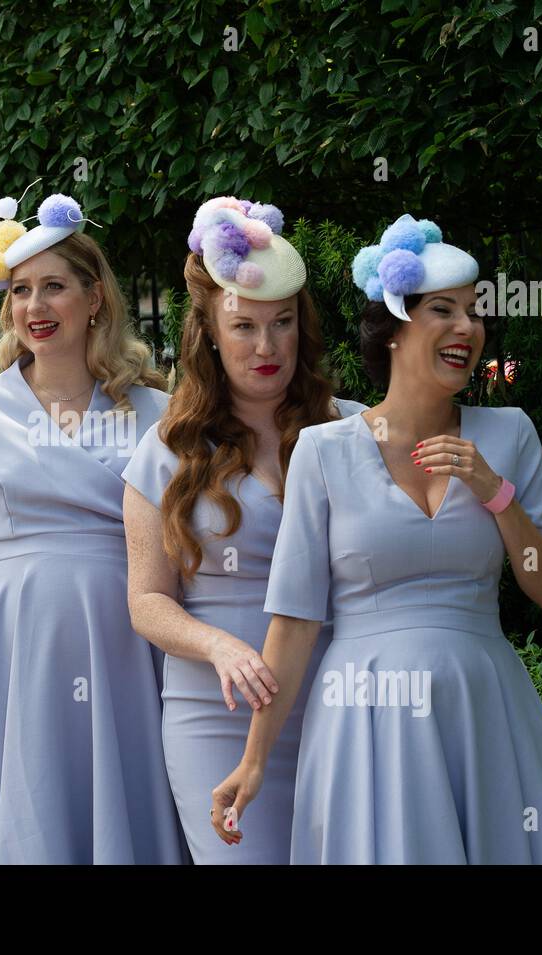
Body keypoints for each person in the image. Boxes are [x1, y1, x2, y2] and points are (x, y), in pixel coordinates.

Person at [211, 214, 542, 863]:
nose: (468, 329)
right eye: (443, 310)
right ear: (392, 330)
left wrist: (495, 491)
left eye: (474, 312)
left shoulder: (510, 432)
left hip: (484, 710)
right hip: (366, 722)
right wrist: (254, 760)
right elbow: (295, 623)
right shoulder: (322, 452)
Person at [0, 186, 184, 863]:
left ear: (95, 296)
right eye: (20, 291)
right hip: (10, 654)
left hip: (128, 646)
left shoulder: (158, 412)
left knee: (124, 805)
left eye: (53, 287)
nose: (34, 307)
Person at [123, 196, 367, 863]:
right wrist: (220, 646)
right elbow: (146, 601)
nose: (267, 347)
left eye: (282, 324)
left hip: (339, 701)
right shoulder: (163, 449)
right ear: (208, 333)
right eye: (245, 327)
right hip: (215, 714)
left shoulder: (354, 429)